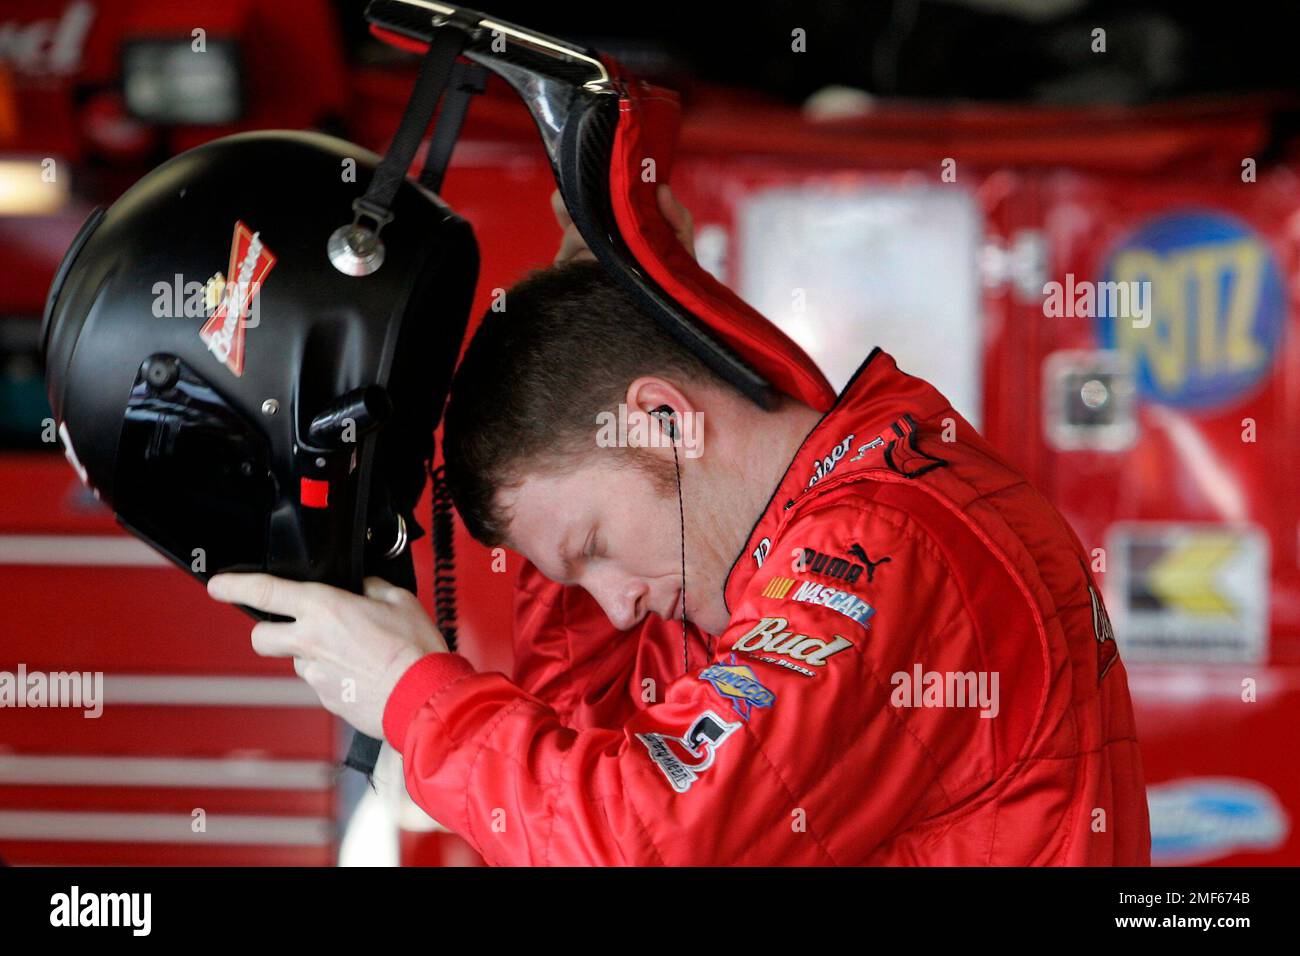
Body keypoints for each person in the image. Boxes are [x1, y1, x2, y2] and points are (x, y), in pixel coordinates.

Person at [209, 186, 1150, 865]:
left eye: (592, 551)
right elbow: (603, 746)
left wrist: (410, 693)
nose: (615, 609)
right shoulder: (770, 543)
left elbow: (641, 843)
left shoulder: (881, 550)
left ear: (665, 417)